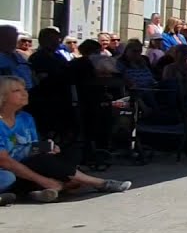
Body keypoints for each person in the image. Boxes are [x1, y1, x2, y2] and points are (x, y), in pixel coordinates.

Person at [0, 76, 130, 202]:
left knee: (66, 154)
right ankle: (96, 182)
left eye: (24, 89)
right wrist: (43, 179)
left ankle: (45, 190)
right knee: (10, 177)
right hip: (7, 169)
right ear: (3, 97)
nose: (24, 93)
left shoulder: (25, 118)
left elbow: (31, 147)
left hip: (26, 165)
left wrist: (45, 147)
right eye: (17, 91)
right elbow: (4, 161)